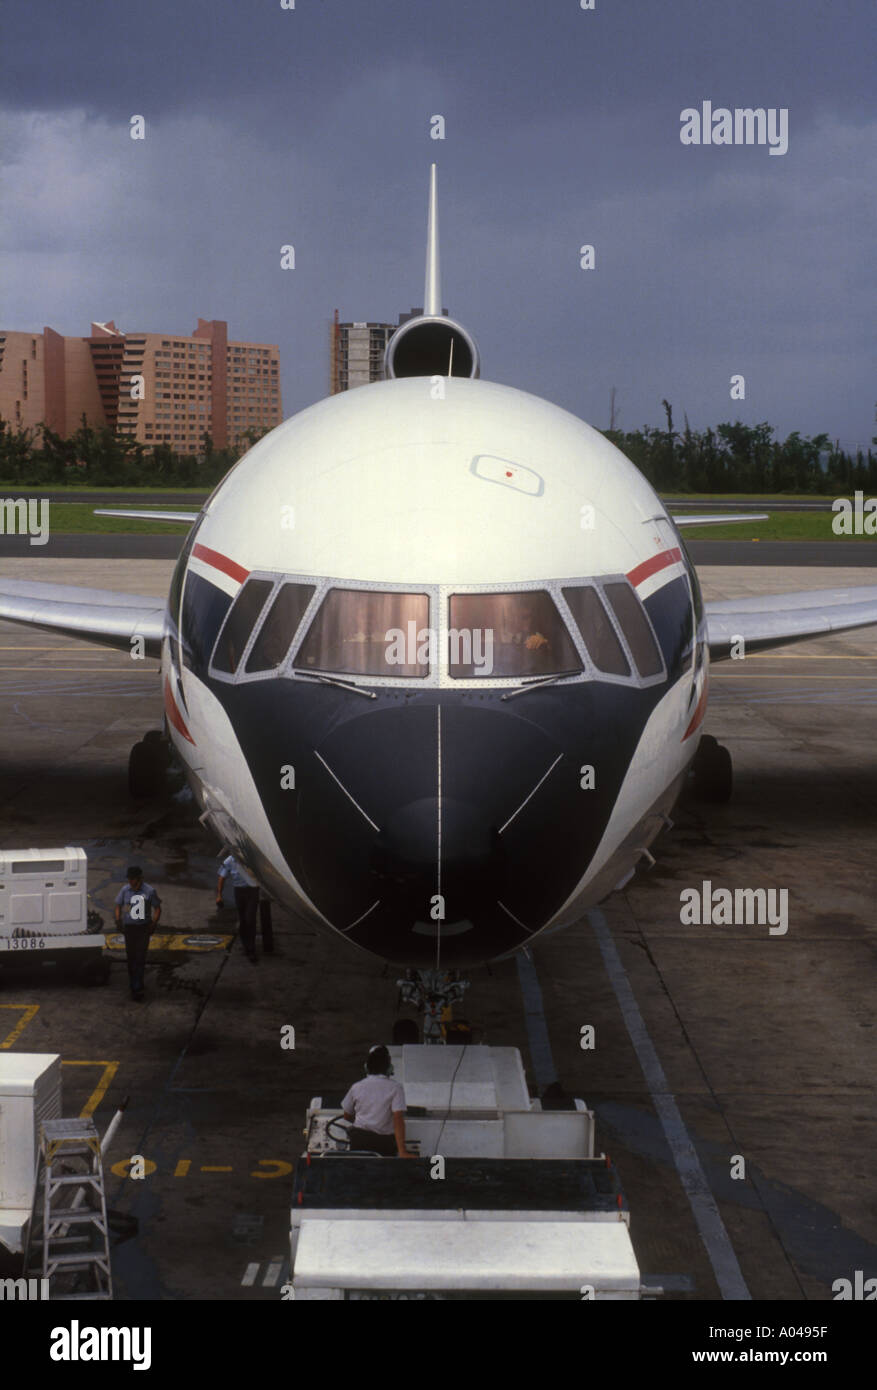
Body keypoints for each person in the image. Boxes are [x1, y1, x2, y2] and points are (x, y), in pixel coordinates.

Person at [341, 1045, 416, 1157]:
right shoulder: (395, 1088)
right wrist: (402, 1151)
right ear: (389, 1068)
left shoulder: (356, 1087)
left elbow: (347, 1115)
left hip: (358, 1141)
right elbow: (398, 1119)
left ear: (367, 1067)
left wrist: (364, 1122)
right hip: (383, 1144)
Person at [114, 865, 161, 1001]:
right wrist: (118, 920)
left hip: (143, 929)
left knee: (140, 958)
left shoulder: (150, 891)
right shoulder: (125, 890)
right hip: (129, 929)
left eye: (133, 879)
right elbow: (118, 905)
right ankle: (133, 982)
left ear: (140, 879)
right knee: (131, 957)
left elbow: (157, 908)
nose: (131, 882)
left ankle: (137, 987)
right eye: (129, 879)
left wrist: (153, 923)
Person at [216, 853, 262, 962]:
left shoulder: (251, 857)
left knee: (250, 919)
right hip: (239, 892)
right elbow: (222, 877)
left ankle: (251, 949)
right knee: (243, 919)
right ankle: (246, 945)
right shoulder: (230, 861)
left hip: (252, 891)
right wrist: (219, 895)